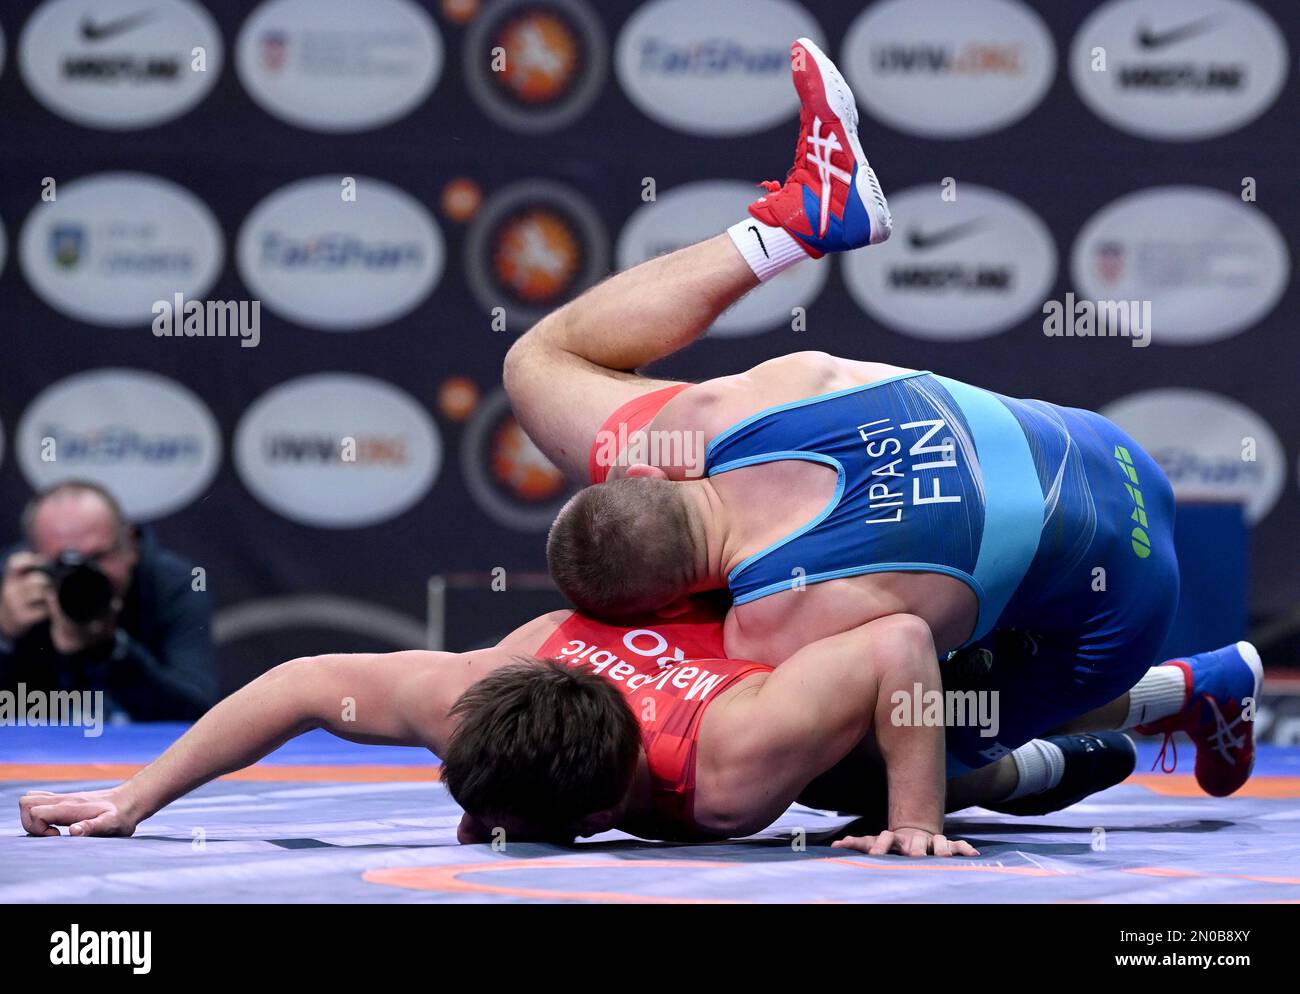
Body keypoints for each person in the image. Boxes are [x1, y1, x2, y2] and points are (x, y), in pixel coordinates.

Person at [505, 38, 1260, 800]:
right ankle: (785, 232)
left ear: (671, 605)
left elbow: (874, 698)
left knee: (842, 762)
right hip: (1108, 450)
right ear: (646, 472)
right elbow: (557, 359)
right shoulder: (729, 409)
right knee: (538, 365)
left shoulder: (775, 624)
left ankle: (1057, 762)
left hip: (1119, 614)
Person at [18, 599, 1153, 856]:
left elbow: (899, 638)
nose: (472, 835)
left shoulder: (726, 771)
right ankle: (1170, 702)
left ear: (610, 809)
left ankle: (1186, 683)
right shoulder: (479, 685)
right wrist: (133, 799)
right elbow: (304, 678)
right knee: (974, 769)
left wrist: (913, 821)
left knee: (953, 753)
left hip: (850, 637)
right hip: (737, 640)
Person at [0, 480, 216, 720]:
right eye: (65, 563)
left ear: (131, 545)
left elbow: (197, 714)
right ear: (34, 557)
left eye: (98, 557)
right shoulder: (14, 585)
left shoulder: (170, 584)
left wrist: (110, 650)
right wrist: (5, 635)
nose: (83, 576)